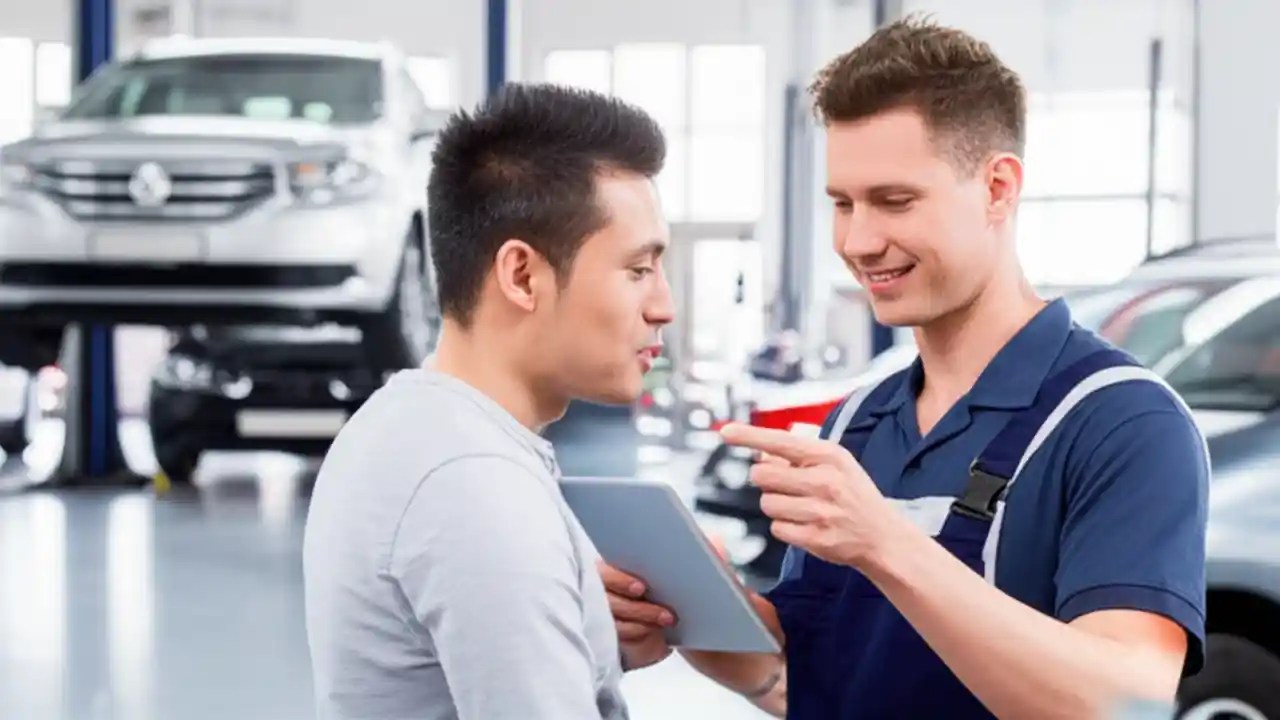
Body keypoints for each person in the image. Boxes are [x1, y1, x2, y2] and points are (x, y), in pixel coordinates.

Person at [602, 17, 1208, 720]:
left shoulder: (1125, 424)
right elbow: (813, 681)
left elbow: (1126, 705)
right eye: (842, 204)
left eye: (895, 201)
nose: (859, 241)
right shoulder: (857, 424)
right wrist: (709, 618)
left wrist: (885, 542)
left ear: (998, 188)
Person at [303, 83, 673, 719]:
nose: (663, 305)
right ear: (522, 275)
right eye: (638, 270)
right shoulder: (475, 485)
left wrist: (585, 632)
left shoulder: (404, 425)